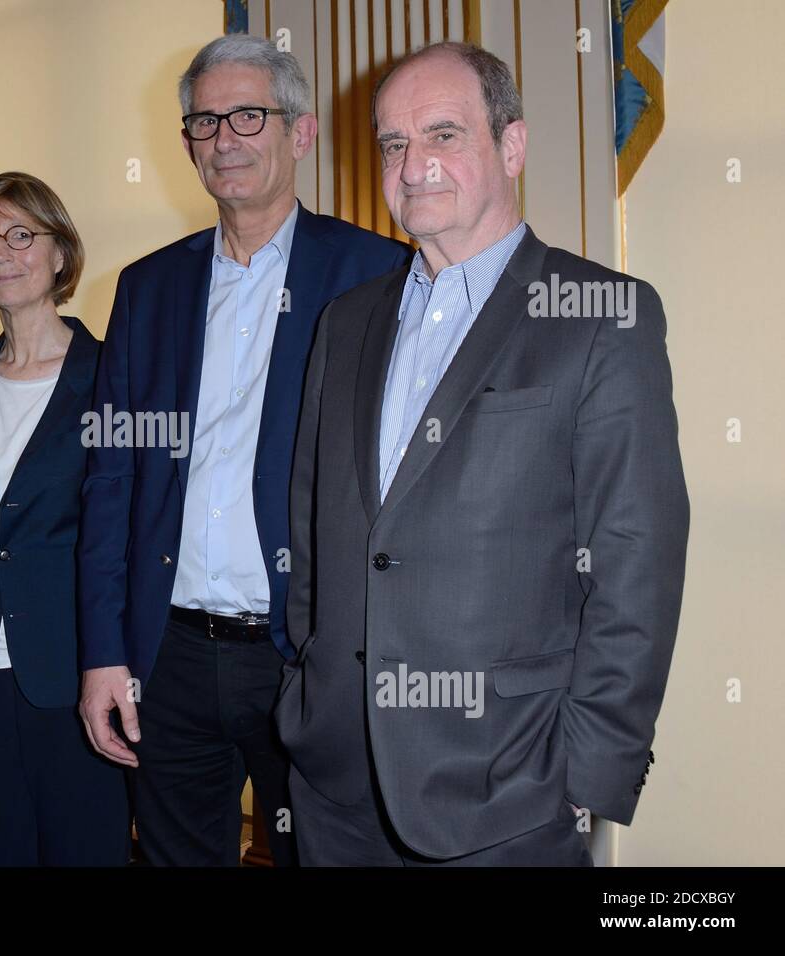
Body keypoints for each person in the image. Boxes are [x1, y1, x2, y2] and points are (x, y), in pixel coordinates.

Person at [278, 41, 689, 865]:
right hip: (335, 782)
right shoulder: (345, 321)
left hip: (510, 789)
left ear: (511, 146)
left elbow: (636, 561)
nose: (413, 164)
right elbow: (315, 535)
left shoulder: (600, 314)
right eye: (394, 143)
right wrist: (307, 689)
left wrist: (588, 772)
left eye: (442, 135)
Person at [77, 34, 410, 866]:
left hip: (307, 652)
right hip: (170, 655)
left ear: (299, 133)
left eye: (248, 116)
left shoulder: (379, 275)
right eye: (204, 121)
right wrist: (104, 653)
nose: (224, 138)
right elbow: (111, 479)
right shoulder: (147, 287)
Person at [0, 172, 129, 866]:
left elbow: (128, 534)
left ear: (60, 253)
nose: (0, 253)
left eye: (20, 235)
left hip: (77, 675)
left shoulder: (110, 375)